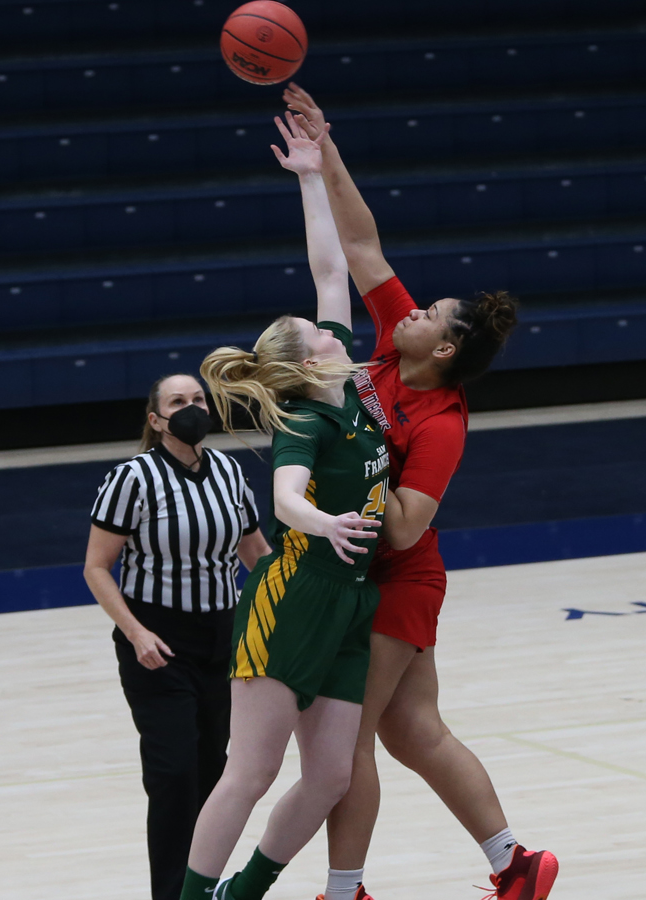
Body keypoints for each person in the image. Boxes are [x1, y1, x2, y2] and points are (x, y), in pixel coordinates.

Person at [281, 86, 549, 900]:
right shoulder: (398, 348)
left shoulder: (441, 423)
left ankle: (346, 890)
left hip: (398, 575)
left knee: (348, 737)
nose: (408, 310)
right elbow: (362, 242)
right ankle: (515, 864)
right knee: (413, 730)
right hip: (369, 568)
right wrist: (325, 150)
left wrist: (357, 449)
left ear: (448, 348)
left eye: (427, 312)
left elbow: (402, 528)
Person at [176, 114, 395, 900]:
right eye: (320, 332)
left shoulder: (347, 389)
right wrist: (325, 522)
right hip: (292, 594)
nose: (334, 329)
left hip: (350, 600)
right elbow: (283, 497)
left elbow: (330, 269)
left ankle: (246, 890)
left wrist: (310, 176)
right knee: (251, 770)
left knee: (331, 774)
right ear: (310, 361)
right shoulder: (306, 419)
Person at [83, 373, 273, 900]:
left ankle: (200, 887)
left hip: (224, 637)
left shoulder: (230, 472)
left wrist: (285, 610)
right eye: (177, 401)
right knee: (173, 772)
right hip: (157, 641)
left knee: (214, 771)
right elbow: (97, 567)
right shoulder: (133, 479)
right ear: (156, 419)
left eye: (198, 399)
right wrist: (136, 633)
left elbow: (256, 553)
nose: (191, 408)